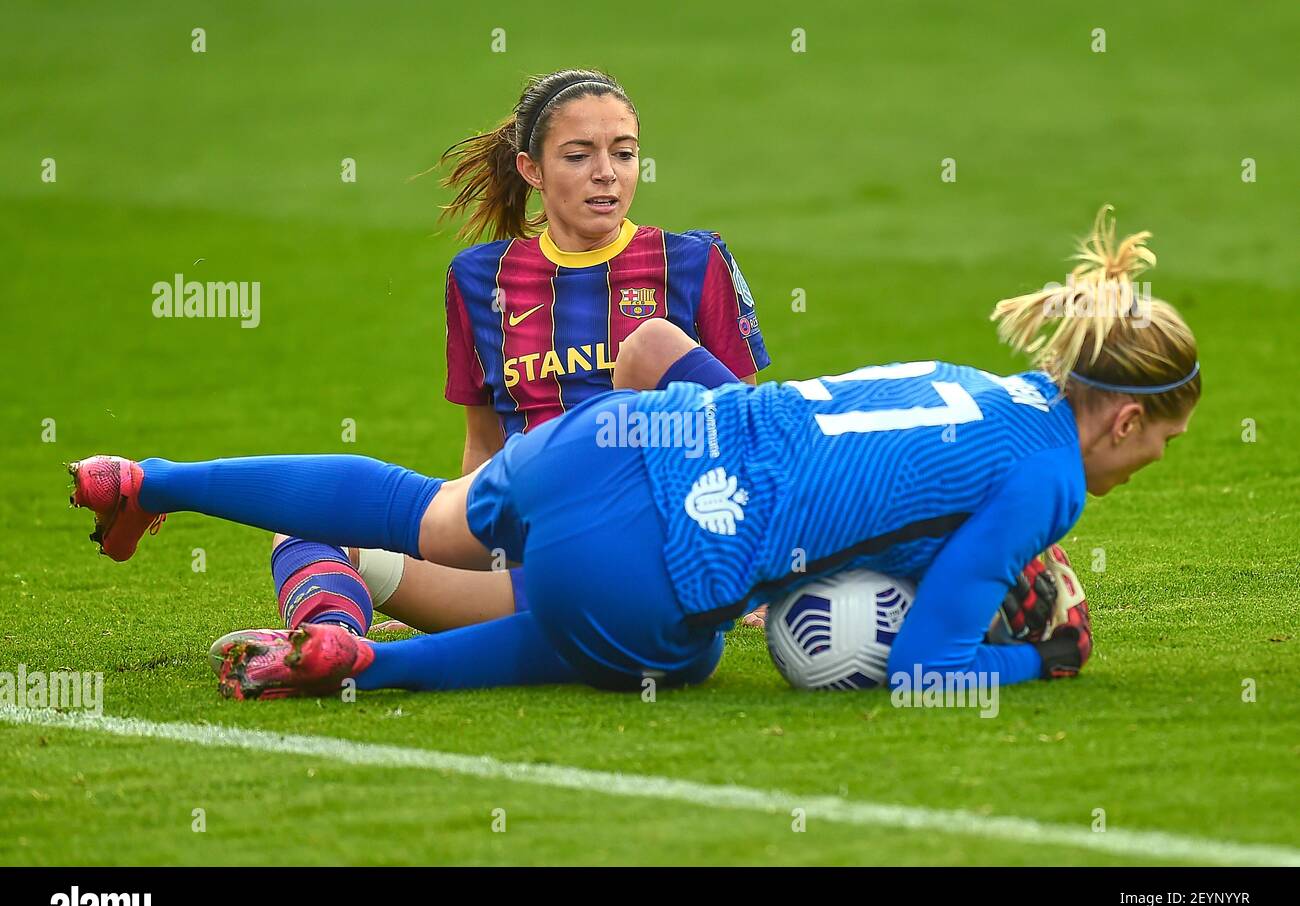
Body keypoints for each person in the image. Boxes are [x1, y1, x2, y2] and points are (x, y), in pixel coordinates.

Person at [69, 208, 1195, 698]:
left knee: (423, 507)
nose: (1152, 461)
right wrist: (1035, 661)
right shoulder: (1047, 476)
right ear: (1125, 417)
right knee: (677, 660)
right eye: (1164, 441)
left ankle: (147, 479)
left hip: (614, 432)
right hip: (660, 561)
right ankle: (374, 664)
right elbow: (923, 669)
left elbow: (863, 476)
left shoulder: (970, 383)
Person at [268, 68, 772, 641]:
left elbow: (744, 435)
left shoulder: (696, 262)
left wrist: (742, 568)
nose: (607, 173)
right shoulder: (479, 278)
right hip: (523, 536)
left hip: (655, 547)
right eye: (579, 155)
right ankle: (325, 640)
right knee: (300, 525)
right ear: (531, 169)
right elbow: (482, 445)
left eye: (624, 153)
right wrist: (457, 540)